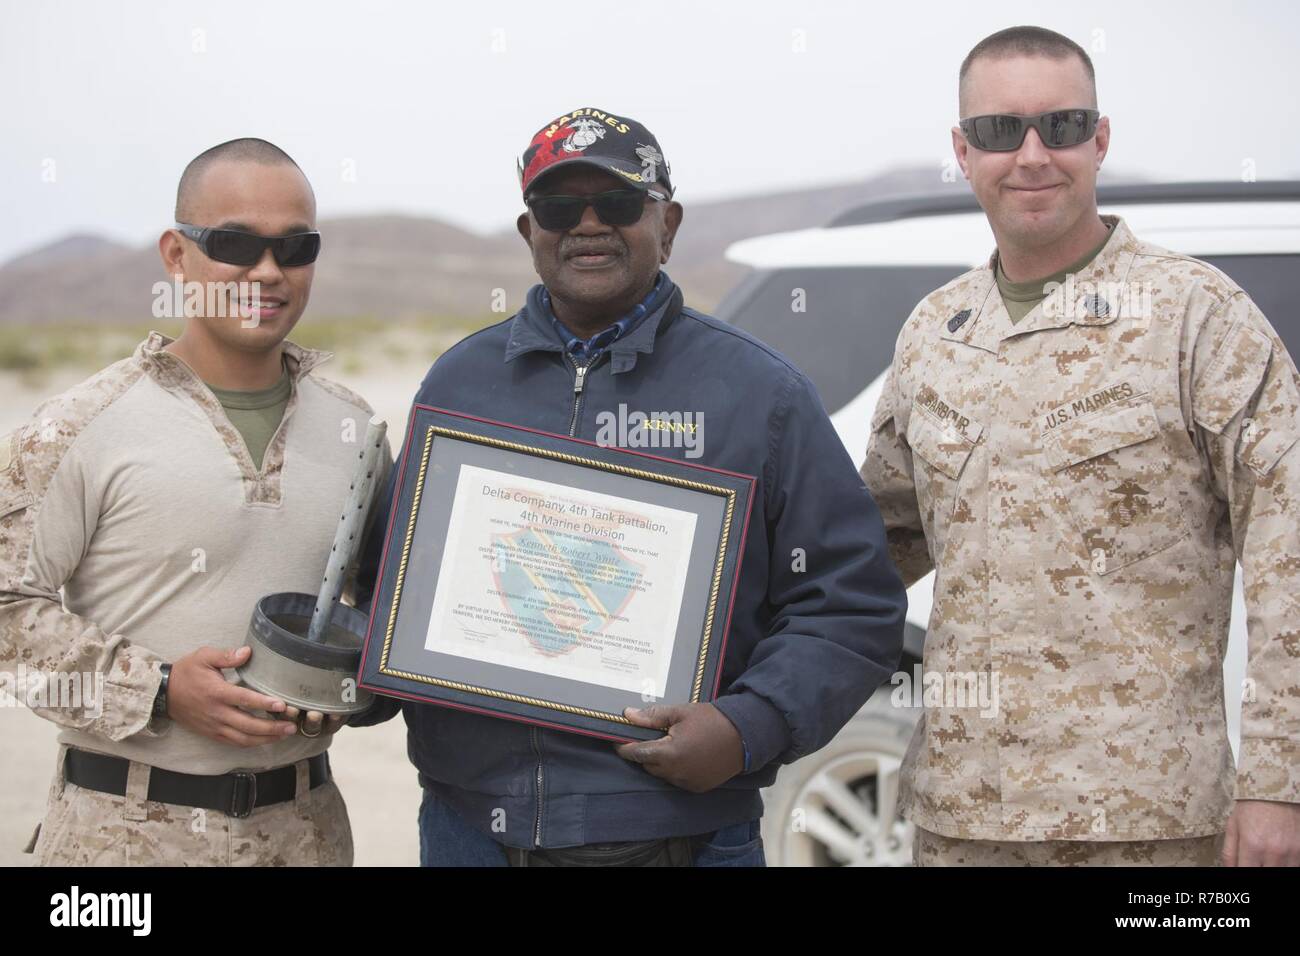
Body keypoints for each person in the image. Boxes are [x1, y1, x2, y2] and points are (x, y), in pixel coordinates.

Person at [354, 107, 906, 866]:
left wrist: (750, 725)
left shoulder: (760, 395)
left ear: (667, 223)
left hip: (680, 835)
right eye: (558, 208)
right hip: (468, 829)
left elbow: (852, 602)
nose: (587, 226)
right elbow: (397, 588)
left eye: (616, 204)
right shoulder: (460, 382)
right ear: (528, 232)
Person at [860, 26, 1300, 866]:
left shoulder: (1196, 317)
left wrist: (1280, 784)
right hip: (963, 819)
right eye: (998, 131)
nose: (1031, 155)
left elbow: (1290, 557)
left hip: (1147, 822)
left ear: (1100, 138)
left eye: (1060, 127)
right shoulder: (934, 334)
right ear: (962, 151)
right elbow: (868, 549)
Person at [0, 138, 390, 866]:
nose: (268, 271)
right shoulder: (79, 426)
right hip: (122, 842)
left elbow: (382, 610)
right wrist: (157, 690)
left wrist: (356, 680)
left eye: (294, 247)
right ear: (177, 256)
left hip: (306, 835)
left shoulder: (356, 435)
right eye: (236, 243)